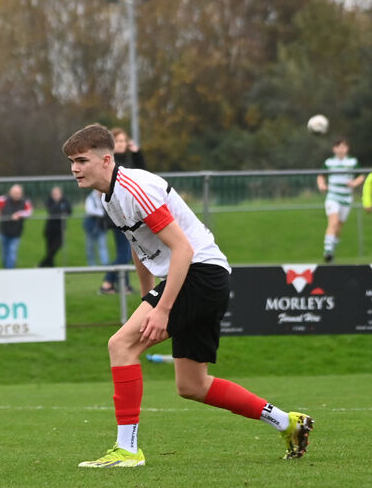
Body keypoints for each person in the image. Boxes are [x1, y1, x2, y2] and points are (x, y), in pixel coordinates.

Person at [63, 123, 312, 468]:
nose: (74, 169)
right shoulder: (110, 195)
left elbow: (183, 249)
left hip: (199, 274)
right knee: (192, 385)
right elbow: (140, 246)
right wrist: (148, 297)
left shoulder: (134, 188)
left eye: (81, 161)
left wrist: (162, 308)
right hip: (205, 277)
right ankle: (288, 423)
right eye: (72, 162)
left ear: (106, 160)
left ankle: (127, 450)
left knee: (121, 346)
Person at [101, 129, 142, 293]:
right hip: (118, 215)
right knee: (125, 254)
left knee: (127, 252)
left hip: (130, 214)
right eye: (118, 141)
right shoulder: (110, 162)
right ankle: (108, 283)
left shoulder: (128, 161)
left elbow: (143, 174)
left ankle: (123, 285)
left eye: (123, 141)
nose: (121, 144)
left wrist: (137, 153)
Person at [317, 138, 364, 263]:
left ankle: (332, 250)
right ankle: (327, 250)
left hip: (346, 198)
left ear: (347, 149)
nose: (341, 149)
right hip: (333, 196)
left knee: (338, 227)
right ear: (334, 149)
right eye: (338, 147)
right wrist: (321, 184)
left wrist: (354, 183)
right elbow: (321, 175)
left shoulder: (352, 162)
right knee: (333, 222)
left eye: (343, 147)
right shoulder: (329, 162)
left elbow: (361, 176)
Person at [0, 184, 33, 269]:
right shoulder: (3, 200)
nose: (16, 195)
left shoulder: (25, 202)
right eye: (15, 193)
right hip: (4, 231)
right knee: (4, 254)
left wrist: (19, 214)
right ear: (10, 192)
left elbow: (29, 212)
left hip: (16, 232)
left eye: (18, 193)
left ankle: (10, 272)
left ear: (21, 193)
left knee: (12, 253)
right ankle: (6, 270)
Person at [38, 185, 72, 268]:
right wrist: (60, 210)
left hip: (60, 228)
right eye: (54, 194)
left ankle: (42, 263)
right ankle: (50, 266)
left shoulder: (64, 201)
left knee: (57, 246)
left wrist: (61, 211)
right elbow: (52, 211)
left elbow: (69, 211)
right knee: (49, 248)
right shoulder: (50, 201)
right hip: (50, 228)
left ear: (61, 194)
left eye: (57, 193)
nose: (55, 195)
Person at [83, 191, 110, 269]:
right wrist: (101, 213)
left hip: (101, 226)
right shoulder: (90, 198)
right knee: (90, 247)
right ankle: (92, 266)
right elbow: (90, 211)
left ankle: (105, 264)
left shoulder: (104, 197)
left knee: (103, 246)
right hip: (91, 227)